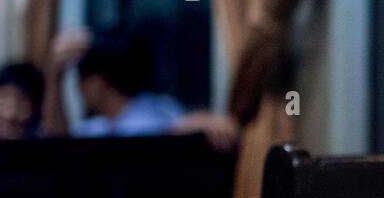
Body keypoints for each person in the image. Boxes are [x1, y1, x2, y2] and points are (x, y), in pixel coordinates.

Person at [41, 28, 239, 150]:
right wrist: (55, 77)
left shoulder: (152, 115)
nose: (78, 88)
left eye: (80, 80)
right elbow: (58, 144)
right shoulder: (98, 128)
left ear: (98, 83)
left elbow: (181, 124)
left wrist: (210, 121)